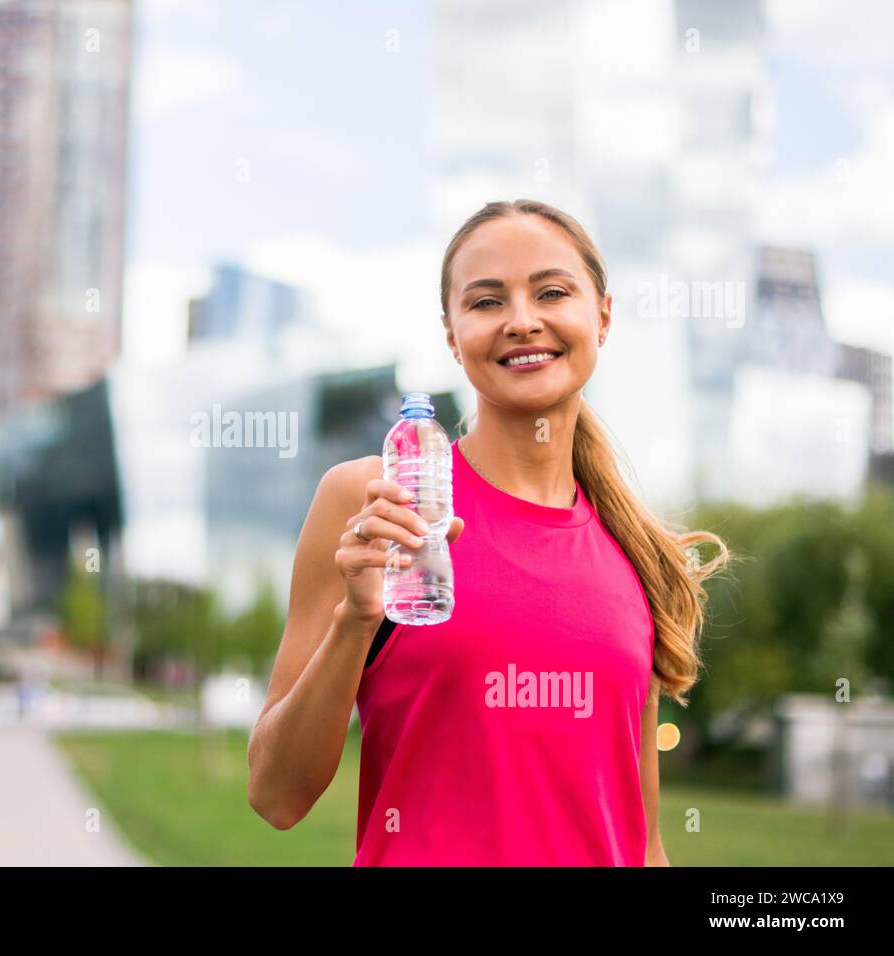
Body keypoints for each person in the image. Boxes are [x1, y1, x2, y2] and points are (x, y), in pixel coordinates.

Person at [246, 198, 733, 866]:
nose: (523, 322)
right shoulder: (379, 501)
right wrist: (354, 622)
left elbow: (642, 843)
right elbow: (276, 795)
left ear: (603, 316)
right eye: (486, 302)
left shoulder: (634, 549)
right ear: (452, 334)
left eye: (553, 292)